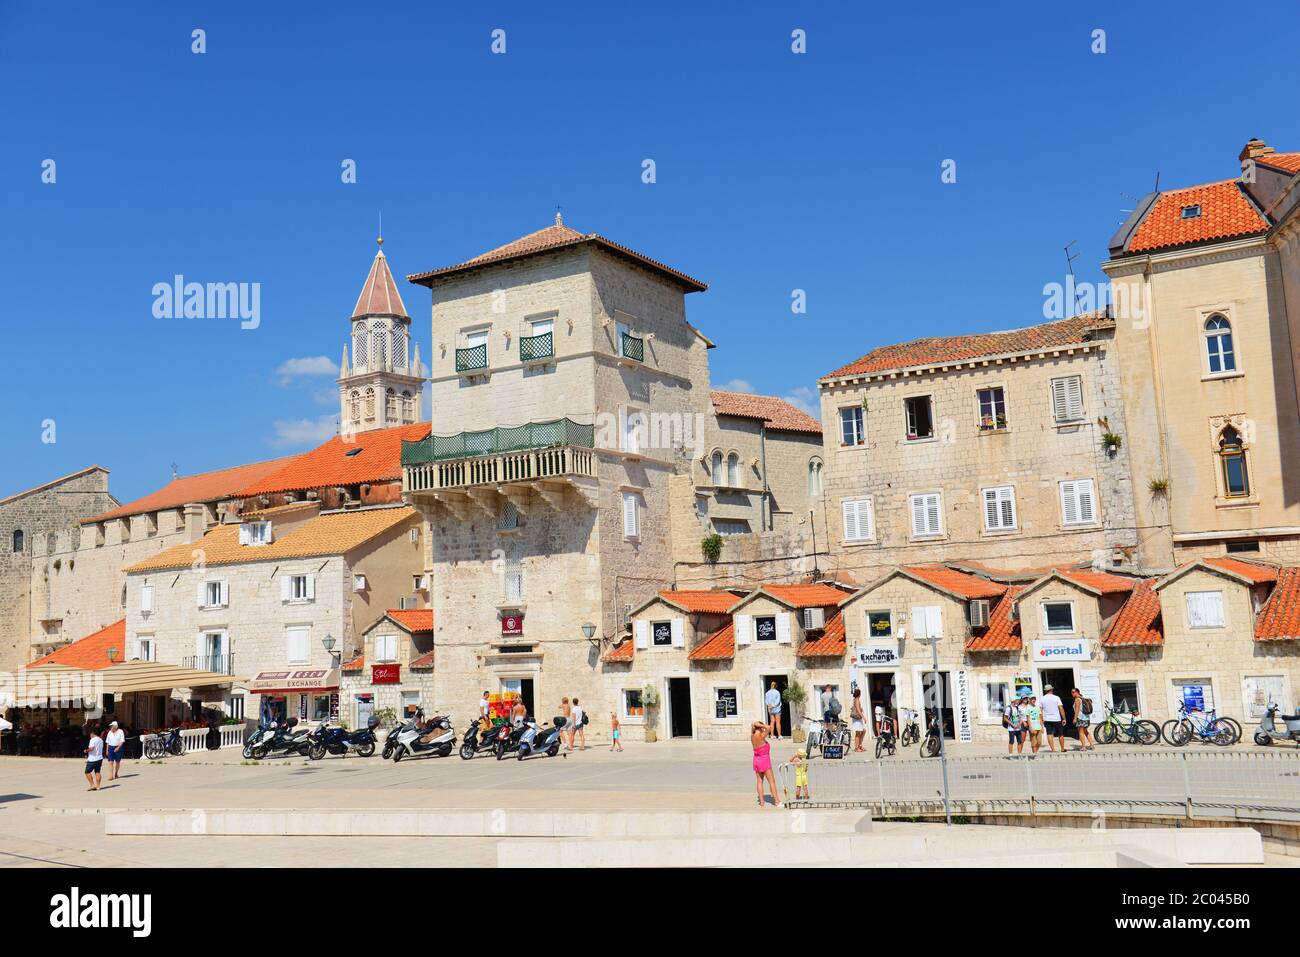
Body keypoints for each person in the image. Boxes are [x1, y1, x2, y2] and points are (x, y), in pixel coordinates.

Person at [750, 720, 782, 808]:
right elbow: (769, 727)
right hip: (764, 760)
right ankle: (777, 801)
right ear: (760, 727)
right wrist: (760, 725)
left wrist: (756, 725)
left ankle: (762, 801)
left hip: (756, 759)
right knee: (771, 781)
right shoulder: (761, 735)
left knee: (760, 781)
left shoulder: (752, 736)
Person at [1041, 684, 1067, 753]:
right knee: (1060, 734)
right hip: (1057, 719)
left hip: (1047, 719)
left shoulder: (1042, 698)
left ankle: (1053, 749)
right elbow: (1061, 708)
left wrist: (1042, 719)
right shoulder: (1056, 698)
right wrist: (1064, 718)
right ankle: (1062, 749)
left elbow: (1040, 710)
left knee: (1049, 734)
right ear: (1051, 690)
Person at [1070, 687, 1093, 751]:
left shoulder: (1077, 699)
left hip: (1080, 718)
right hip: (1086, 718)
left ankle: (1083, 747)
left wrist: (1074, 719)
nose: (1072, 693)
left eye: (1073, 692)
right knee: (1086, 732)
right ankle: (1091, 745)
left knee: (1081, 733)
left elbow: (1077, 710)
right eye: (1071, 692)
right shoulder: (1082, 698)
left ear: (1077, 692)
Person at [84, 724, 104, 791]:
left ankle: (92, 785)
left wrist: (86, 750)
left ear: (92, 733)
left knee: (87, 772)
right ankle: (98, 786)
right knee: (97, 772)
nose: (90, 735)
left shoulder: (93, 740)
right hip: (99, 758)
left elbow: (91, 748)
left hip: (92, 759)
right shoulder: (101, 740)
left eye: (90, 734)